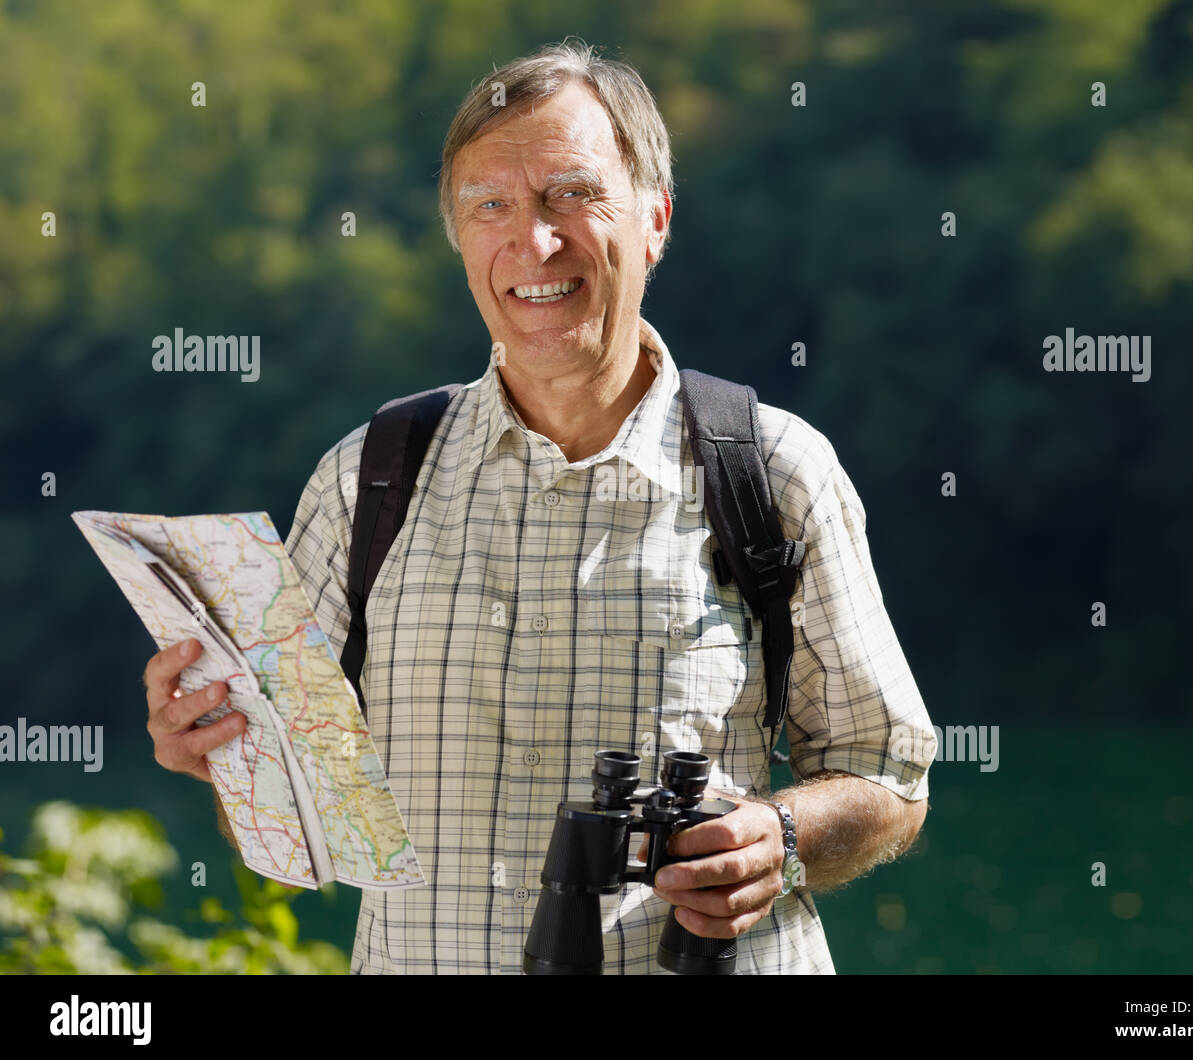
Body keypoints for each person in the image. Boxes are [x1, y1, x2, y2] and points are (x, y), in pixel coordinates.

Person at [143, 40, 937, 974]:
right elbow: (288, 833)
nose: (535, 242)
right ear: (461, 240)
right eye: (492, 207)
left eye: (572, 193)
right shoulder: (366, 479)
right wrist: (226, 758)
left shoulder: (775, 470)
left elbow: (889, 776)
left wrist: (781, 835)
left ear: (653, 221)